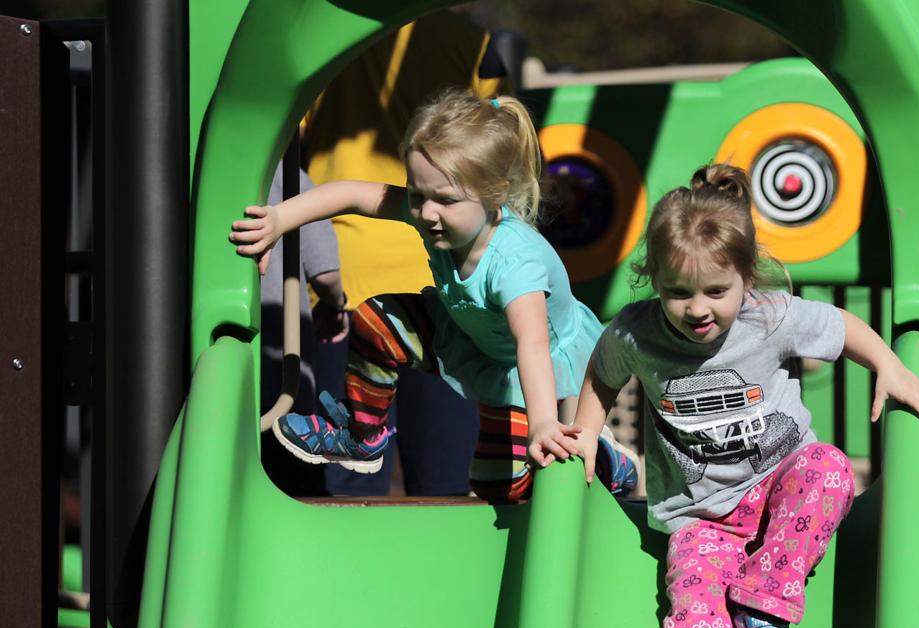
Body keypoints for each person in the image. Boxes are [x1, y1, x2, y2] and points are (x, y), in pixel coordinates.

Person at [569, 164, 919, 628]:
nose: (697, 309)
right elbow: (603, 373)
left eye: (717, 290)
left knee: (830, 471)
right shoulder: (636, 332)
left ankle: (763, 616)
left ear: (746, 277)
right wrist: (584, 431)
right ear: (654, 283)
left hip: (778, 486)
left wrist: (888, 365)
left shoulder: (769, 317)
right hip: (702, 510)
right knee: (691, 597)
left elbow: (842, 327)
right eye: (678, 292)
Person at [231, 89, 637, 502]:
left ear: (495, 195)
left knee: (504, 486)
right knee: (376, 319)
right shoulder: (435, 212)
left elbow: (530, 346)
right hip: (469, 331)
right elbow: (352, 194)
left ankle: (606, 458)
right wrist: (278, 219)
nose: (426, 213)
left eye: (444, 200)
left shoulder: (516, 265)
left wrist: (544, 424)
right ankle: (362, 435)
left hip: (529, 367)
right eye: (417, 194)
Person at [302, 11, 507, 497]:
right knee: (446, 482)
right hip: (444, 275)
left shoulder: (313, 35)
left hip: (343, 269)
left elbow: (284, 145)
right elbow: (502, 145)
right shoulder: (470, 41)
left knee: (347, 478)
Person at [258, 160, 347, 497]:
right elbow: (325, 273)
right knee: (296, 493)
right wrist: (335, 305)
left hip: (200, 381)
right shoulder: (285, 174)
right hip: (283, 388)